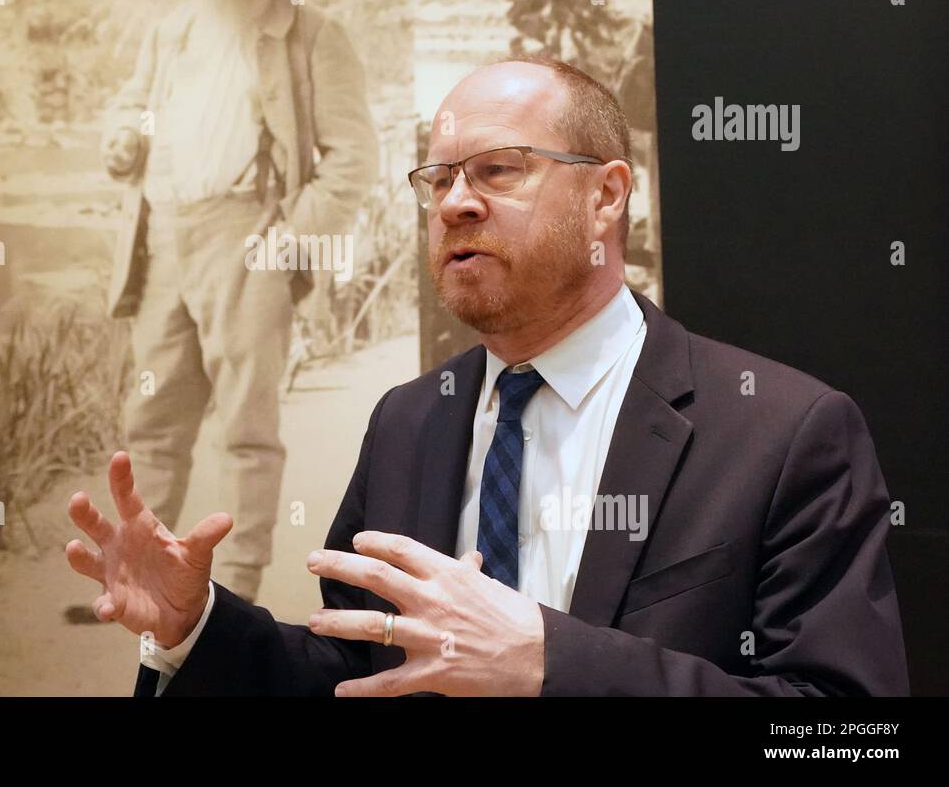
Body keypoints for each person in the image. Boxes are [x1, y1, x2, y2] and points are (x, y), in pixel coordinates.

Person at [69, 57, 908, 696]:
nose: (452, 205)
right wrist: (195, 627)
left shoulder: (785, 432)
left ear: (606, 198)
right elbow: (352, 672)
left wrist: (553, 662)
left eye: (497, 170)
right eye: (437, 178)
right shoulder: (408, 420)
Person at [99, 0, 377, 602]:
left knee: (248, 421)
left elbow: (354, 160)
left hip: (251, 235)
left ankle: (242, 581)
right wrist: (123, 137)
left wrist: (288, 240)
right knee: (153, 418)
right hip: (164, 236)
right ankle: (140, 576)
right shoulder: (172, 33)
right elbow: (130, 104)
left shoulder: (314, 36)